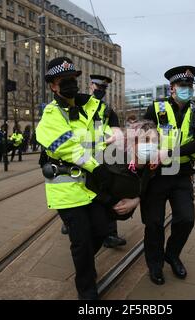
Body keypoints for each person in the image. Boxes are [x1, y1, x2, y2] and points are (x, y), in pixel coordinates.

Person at [36, 57, 115, 300]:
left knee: (102, 231)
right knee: (80, 242)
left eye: (72, 80)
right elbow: (67, 148)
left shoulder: (94, 107)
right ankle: (87, 290)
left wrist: (113, 142)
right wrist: (96, 166)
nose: (70, 85)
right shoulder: (50, 115)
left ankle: (86, 266)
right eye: (63, 81)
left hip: (93, 185)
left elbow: (105, 136)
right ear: (53, 86)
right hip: (68, 189)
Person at [142, 65, 195, 285]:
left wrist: (169, 152)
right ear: (172, 88)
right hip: (156, 176)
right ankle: (155, 265)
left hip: (182, 174)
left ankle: (172, 254)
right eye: (183, 86)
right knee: (154, 224)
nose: (187, 90)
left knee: (186, 219)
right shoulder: (155, 108)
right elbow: (142, 137)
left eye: (190, 86)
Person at [87, 73, 127, 249]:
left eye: (103, 88)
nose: (101, 90)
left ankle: (110, 234)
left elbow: (116, 133)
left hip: (104, 158)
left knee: (110, 192)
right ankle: (70, 222)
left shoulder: (108, 110)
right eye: (98, 87)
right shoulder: (79, 105)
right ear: (90, 86)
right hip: (81, 158)